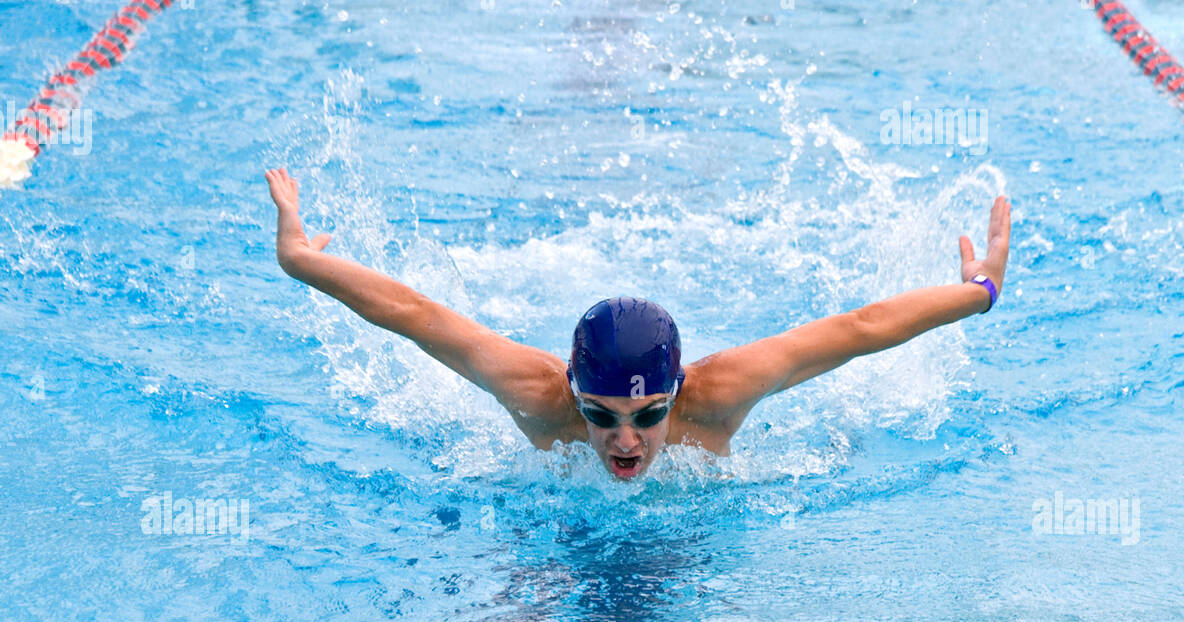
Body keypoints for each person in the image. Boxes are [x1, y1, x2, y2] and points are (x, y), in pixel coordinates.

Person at [265, 168, 1011, 481]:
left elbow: (858, 328)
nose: (624, 440)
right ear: (572, 387)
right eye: (602, 415)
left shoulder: (719, 395)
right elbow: (417, 317)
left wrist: (977, 291)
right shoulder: (535, 394)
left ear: (676, 390)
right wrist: (302, 261)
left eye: (648, 415)